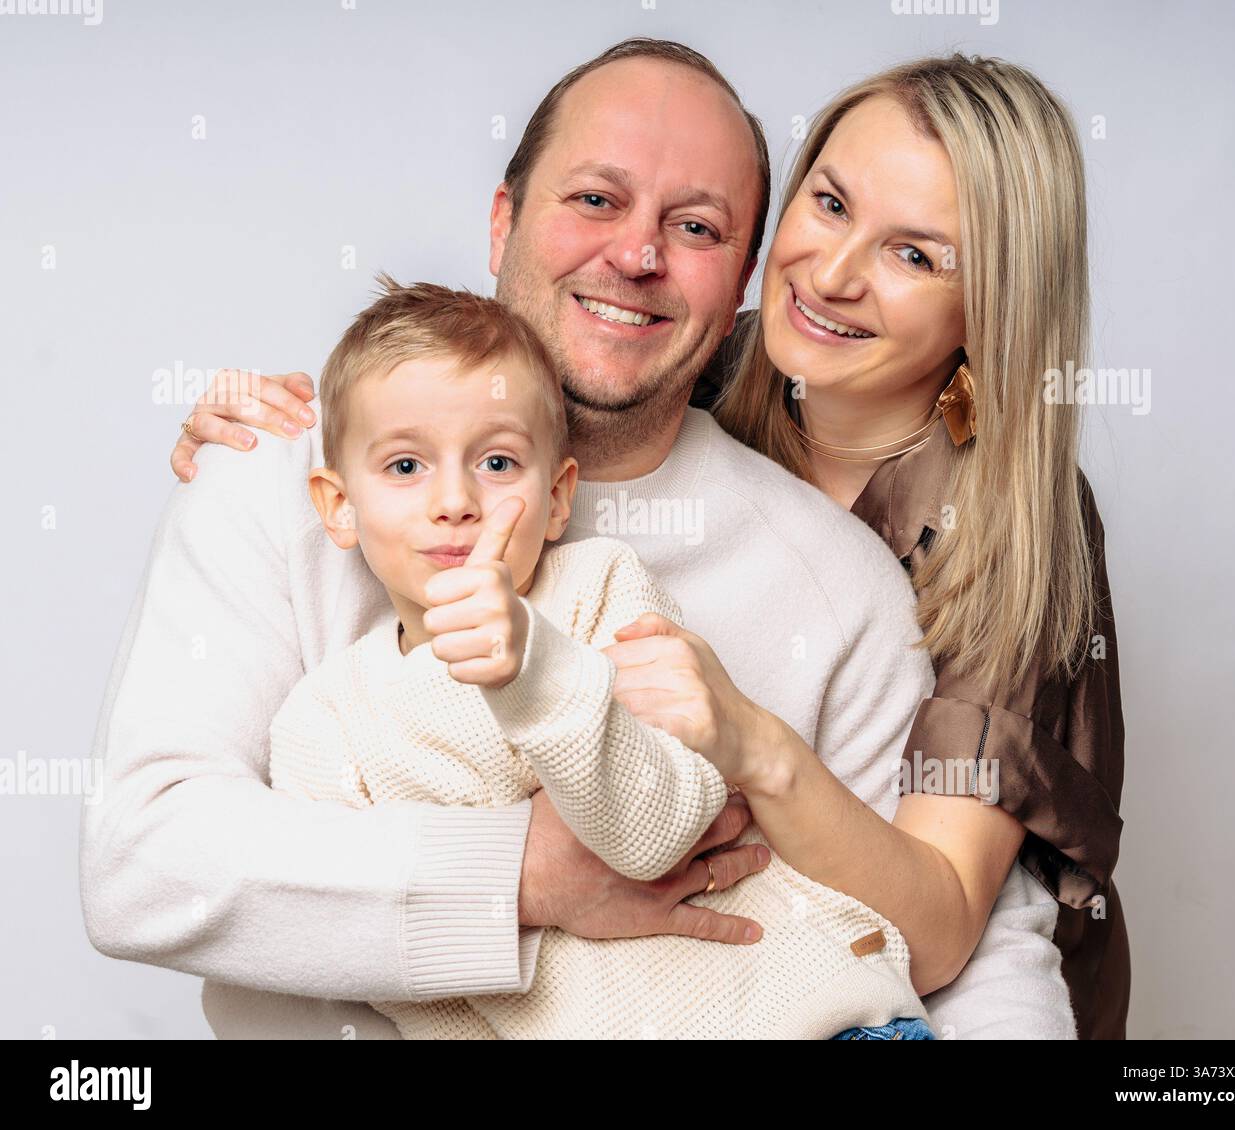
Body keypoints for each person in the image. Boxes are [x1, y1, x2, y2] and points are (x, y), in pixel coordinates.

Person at [86, 38, 1074, 1040]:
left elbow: (960, 951)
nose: (637, 256)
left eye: (695, 226)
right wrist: (523, 877)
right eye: (595, 199)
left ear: (740, 276)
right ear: (503, 218)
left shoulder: (856, 578)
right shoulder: (275, 480)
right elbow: (143, 866)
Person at [271, 276, 934, 1039]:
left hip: (816, 1019)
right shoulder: (324, 724)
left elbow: (662, 831)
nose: (454, 502)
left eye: (496, 463)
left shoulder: (601, 589)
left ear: (559, 497)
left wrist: (532, 673)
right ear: (338, 506)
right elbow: (368, 947)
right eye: (405, 467)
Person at [695, 54, 1129, 1039]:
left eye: (915, 256)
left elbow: (936, 932)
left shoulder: (1017, 523)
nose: (831, 275)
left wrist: (758, 751)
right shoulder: (698, 371)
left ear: (994, 310)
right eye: (830, 203)